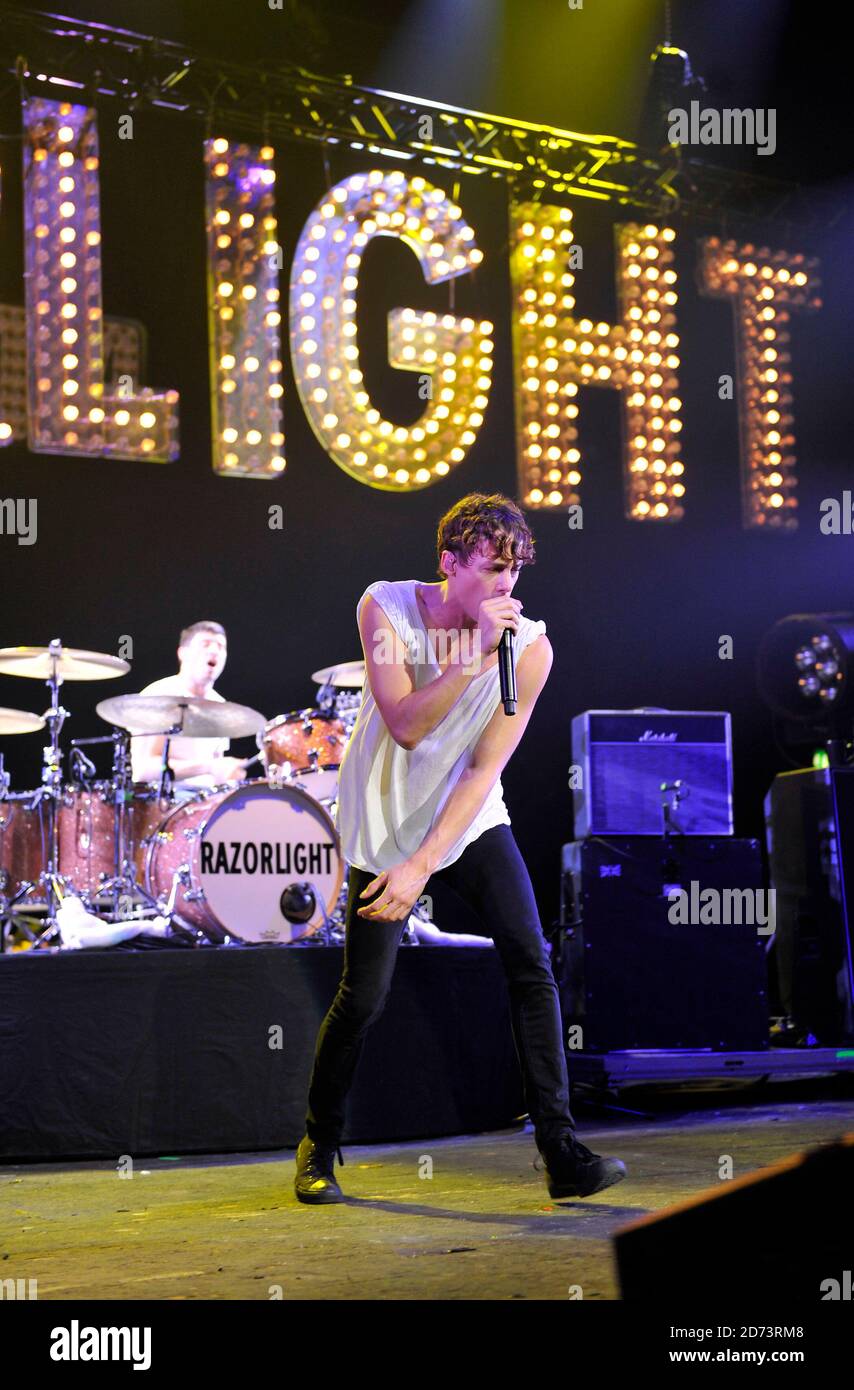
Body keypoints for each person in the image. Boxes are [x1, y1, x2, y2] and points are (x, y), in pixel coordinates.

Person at [294, 493, 627, 1203]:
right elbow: (408, 724)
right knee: (365, 995)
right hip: (383, 819)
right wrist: (472, 657)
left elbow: (482, 769)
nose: (505, 587)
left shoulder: (529, 651)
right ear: (449, 564)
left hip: (465, 818)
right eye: (490, 571)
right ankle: (319, 1142)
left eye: (515, 573)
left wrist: (428, 862)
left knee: (531, 962)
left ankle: (560, 1150)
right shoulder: (385, 609)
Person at [130, 621, 247, 791]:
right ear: (183, 653)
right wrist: (209, 767)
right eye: (205, 644)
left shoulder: (220, 705)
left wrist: (228, 776)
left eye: (221, 646)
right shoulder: (160, 694)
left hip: (205, 804)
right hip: (165, 803)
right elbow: (143, 771)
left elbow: (216, 773)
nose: (214, 651)